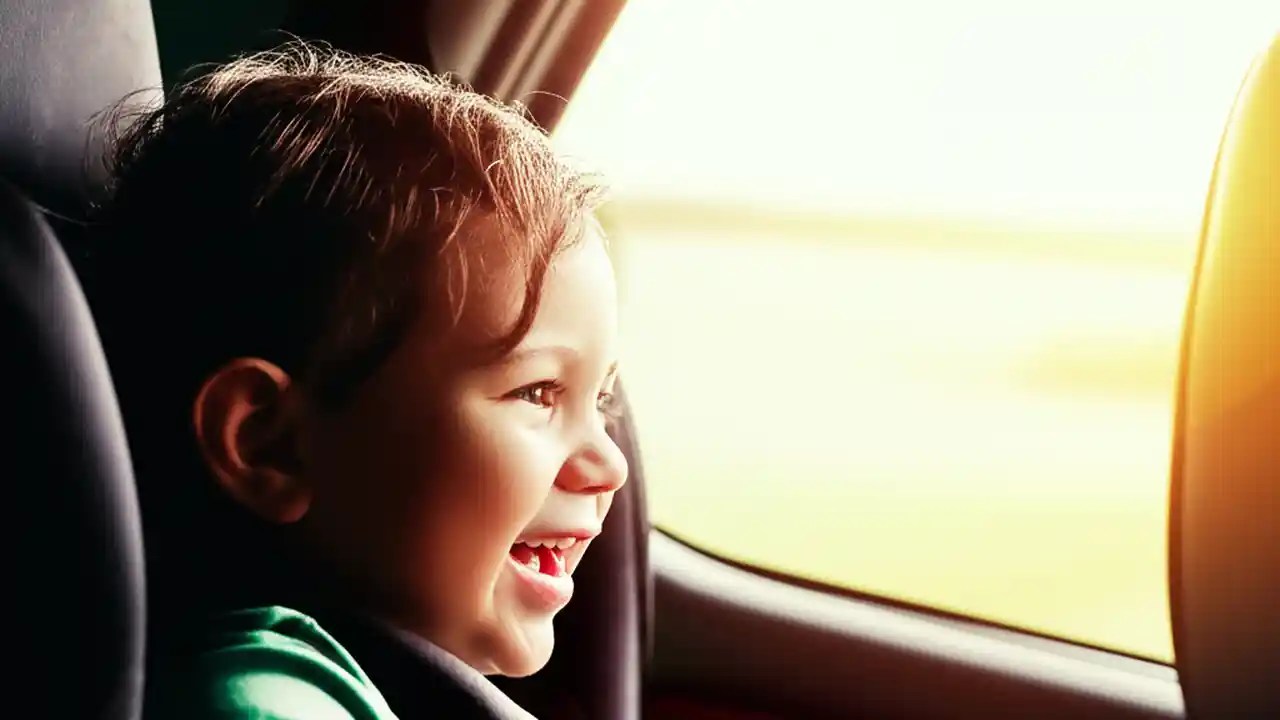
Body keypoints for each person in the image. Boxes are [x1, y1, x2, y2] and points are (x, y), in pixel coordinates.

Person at [86, 42, 628, 719]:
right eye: (540, 393)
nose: (609, 466)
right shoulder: (257, 700)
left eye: (599, 398)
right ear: (270, 443)